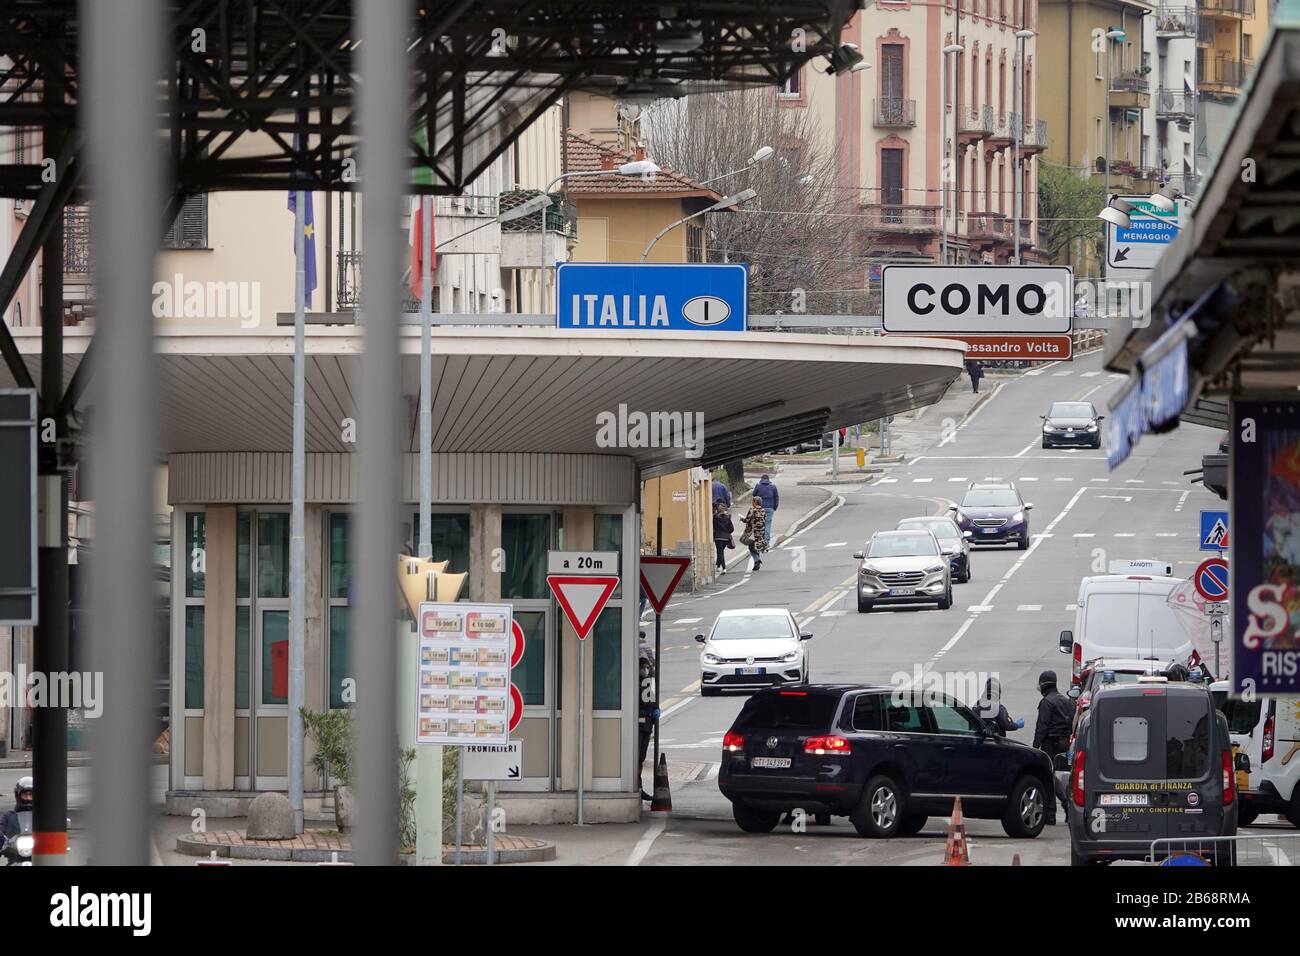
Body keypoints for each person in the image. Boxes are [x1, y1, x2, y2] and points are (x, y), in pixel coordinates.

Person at [1033, 670, 1075, 823]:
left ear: (1044, 684)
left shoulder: (1046, 703)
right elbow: (1073, 723)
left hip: (1050, 745)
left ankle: (1050, 813)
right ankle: (1069, 807)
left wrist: (1035, 747)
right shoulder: (1067, 701)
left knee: (1048, 778)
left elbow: (1042, 727)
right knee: (1065, 778)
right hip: (1065, 745)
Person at [637, 634, 657, 801]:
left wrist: (655, 710)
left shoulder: (647, 681)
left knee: (640, 758)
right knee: (636, 758)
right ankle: (637, 787)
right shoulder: (634, 680)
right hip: (639, 721)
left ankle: (638, 787)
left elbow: (650, 697)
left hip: (646, 721)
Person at [741, 496, 768, 571]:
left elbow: (747, 520)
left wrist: (742, 519)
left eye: (753, 502)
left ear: (754, 502)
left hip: (752, 532)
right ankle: (757, 564)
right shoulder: (763, 510)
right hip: (761, 531)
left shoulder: (752, 510)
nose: (752, 503)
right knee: (757, 547)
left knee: (751, 547)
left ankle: (757, 560)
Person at [1, 776, 32, 841]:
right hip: (13, 849)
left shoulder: (44, 817)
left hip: (40, 848)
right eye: (25, 795)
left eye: (31, 795)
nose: (28, 798)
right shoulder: (8, 816)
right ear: (18, 796)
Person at [753, 474, 779, 544]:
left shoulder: (758, 486)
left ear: (761, 479)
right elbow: (776, 497)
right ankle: (766, 541)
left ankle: (760, 540)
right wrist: (775, 507)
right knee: (768, 524)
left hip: (760, 508)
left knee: (760, 524)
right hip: (770, 508)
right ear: (768, 480)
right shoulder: (773, 487)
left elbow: (754, 495)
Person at [712, 500, 734, 575]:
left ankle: (724, 568)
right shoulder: (727, 517)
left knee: (720, 552)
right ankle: (718, 566)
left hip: (718, 537)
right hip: (726, 538)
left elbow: (713, 527)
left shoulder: (714, 517)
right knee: (720, 552)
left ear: (717, 509)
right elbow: (731, 529)